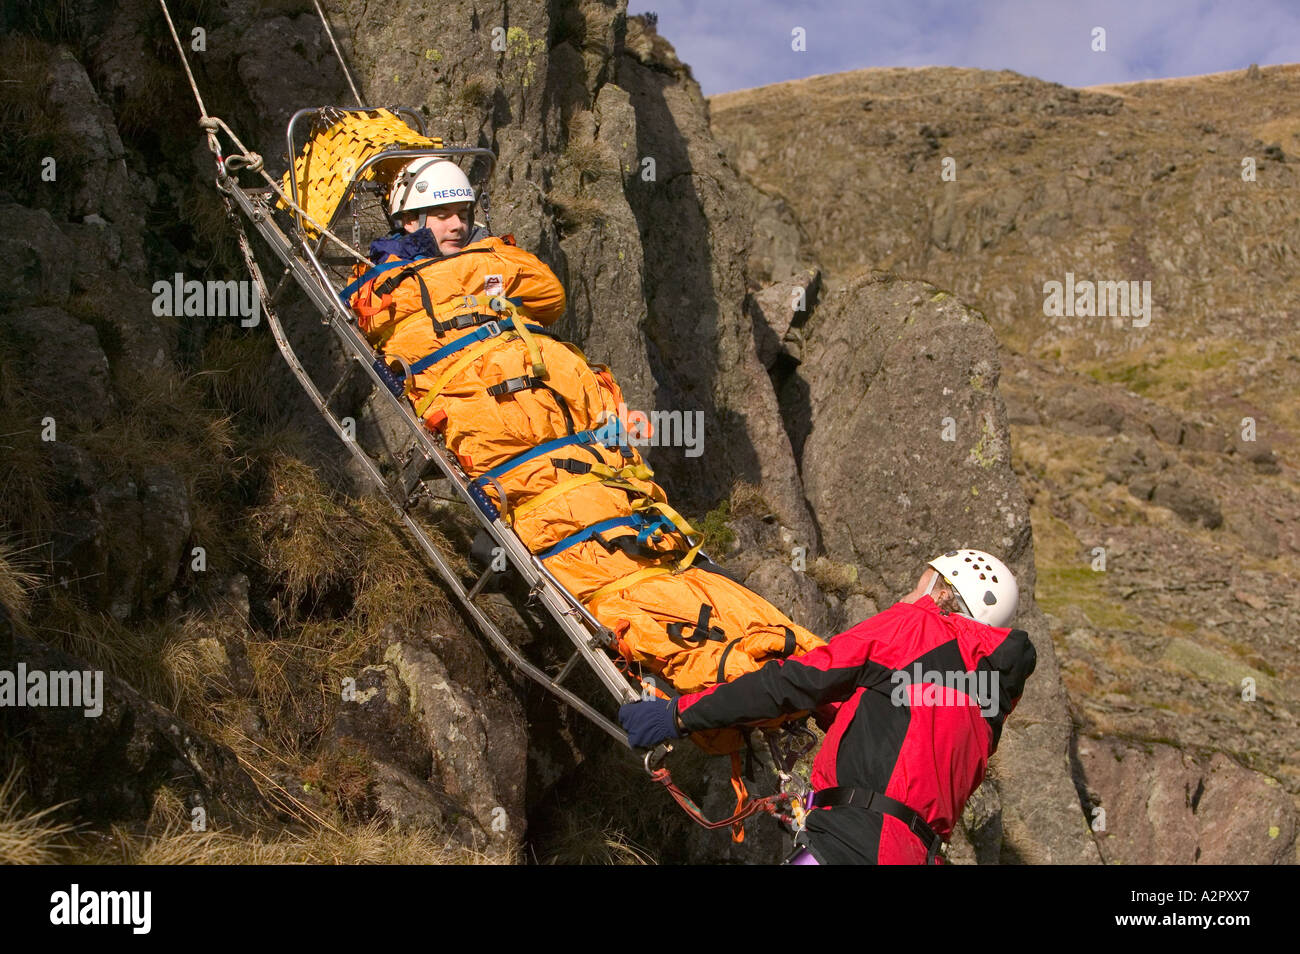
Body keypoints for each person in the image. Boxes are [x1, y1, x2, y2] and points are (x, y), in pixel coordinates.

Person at [619, 548, 1037, 864]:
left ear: (941, 593)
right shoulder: (990, 699)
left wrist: (676, 715)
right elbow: (905, 731)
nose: (908, 595)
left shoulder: (917, 626)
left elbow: (792, 681)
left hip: (855, 840)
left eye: (920, 584)